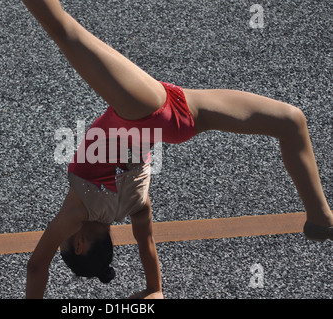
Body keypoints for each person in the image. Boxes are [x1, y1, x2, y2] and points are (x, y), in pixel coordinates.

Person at [22, 0, 332, 299]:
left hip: (181, 118)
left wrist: (154, 288)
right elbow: (37, 267)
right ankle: (320, 214)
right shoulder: (77, 213)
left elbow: (147, 242)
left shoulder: (135, 206)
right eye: (66, 244)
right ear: (78, 244)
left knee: (291, 122)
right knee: (63, 28)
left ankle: (321, 219)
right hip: (142, 109)